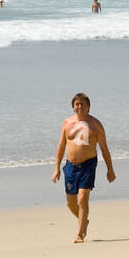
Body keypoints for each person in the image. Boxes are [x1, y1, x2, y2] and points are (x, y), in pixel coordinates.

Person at [51, 92, 115, 243]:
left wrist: (110, 169)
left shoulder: (95, 125)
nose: (80, 107)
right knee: (70, 202)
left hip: (88, 164)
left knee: (83, 197)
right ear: (73, 107)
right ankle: (83, 221)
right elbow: (61, 146)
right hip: (70, 166)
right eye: (77, 104)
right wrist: (56, 168)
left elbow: (104, 149)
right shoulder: (67, 123)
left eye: (83, 104)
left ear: (88, 107)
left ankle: (80, 234)